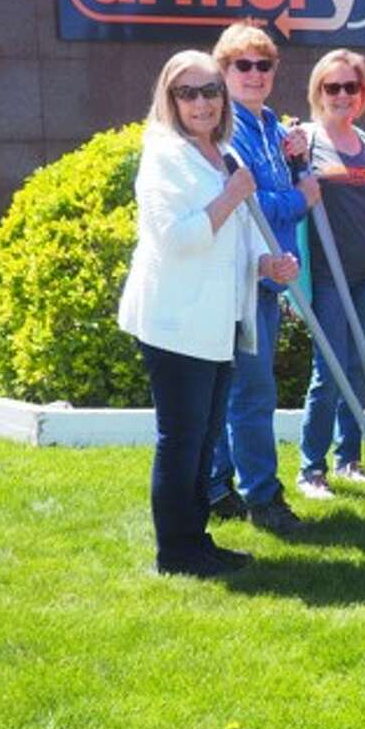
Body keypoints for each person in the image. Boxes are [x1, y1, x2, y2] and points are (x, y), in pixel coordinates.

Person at [117, 50, 299, 577]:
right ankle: (175, 553)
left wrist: (266, 263)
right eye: (188, 92)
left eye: (210, 91)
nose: (201, 102)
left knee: (202, 436)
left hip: (217, 325)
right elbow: (176, 239)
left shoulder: (223, 155)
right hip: (175, 325)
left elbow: (237, 239)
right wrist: (231, 196)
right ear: (170, 100)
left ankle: (197, 540)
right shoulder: (164, 155)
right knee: (182, 439)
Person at [206, 21, 320, 534]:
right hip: (241, 279)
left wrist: (298, 158)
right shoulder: (225, 130)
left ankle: (215, 486)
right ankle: (262, 498)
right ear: (223, 71)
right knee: (252, 393)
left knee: (235, 391)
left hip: (271, 277)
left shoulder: (271, 122)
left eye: (263, 65)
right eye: (241, 65)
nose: (254, 74)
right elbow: (246, 202)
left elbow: (277, 189)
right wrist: (302, 199)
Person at [295, 49, 365, 500]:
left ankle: (349, 459)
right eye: (332, 87)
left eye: (351, 87)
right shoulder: (303, 143)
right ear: (318, 92)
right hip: (324, 277)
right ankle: (311, 469)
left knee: (359, 368)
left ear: (363, 94)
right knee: (330, 370)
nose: (341, 95)